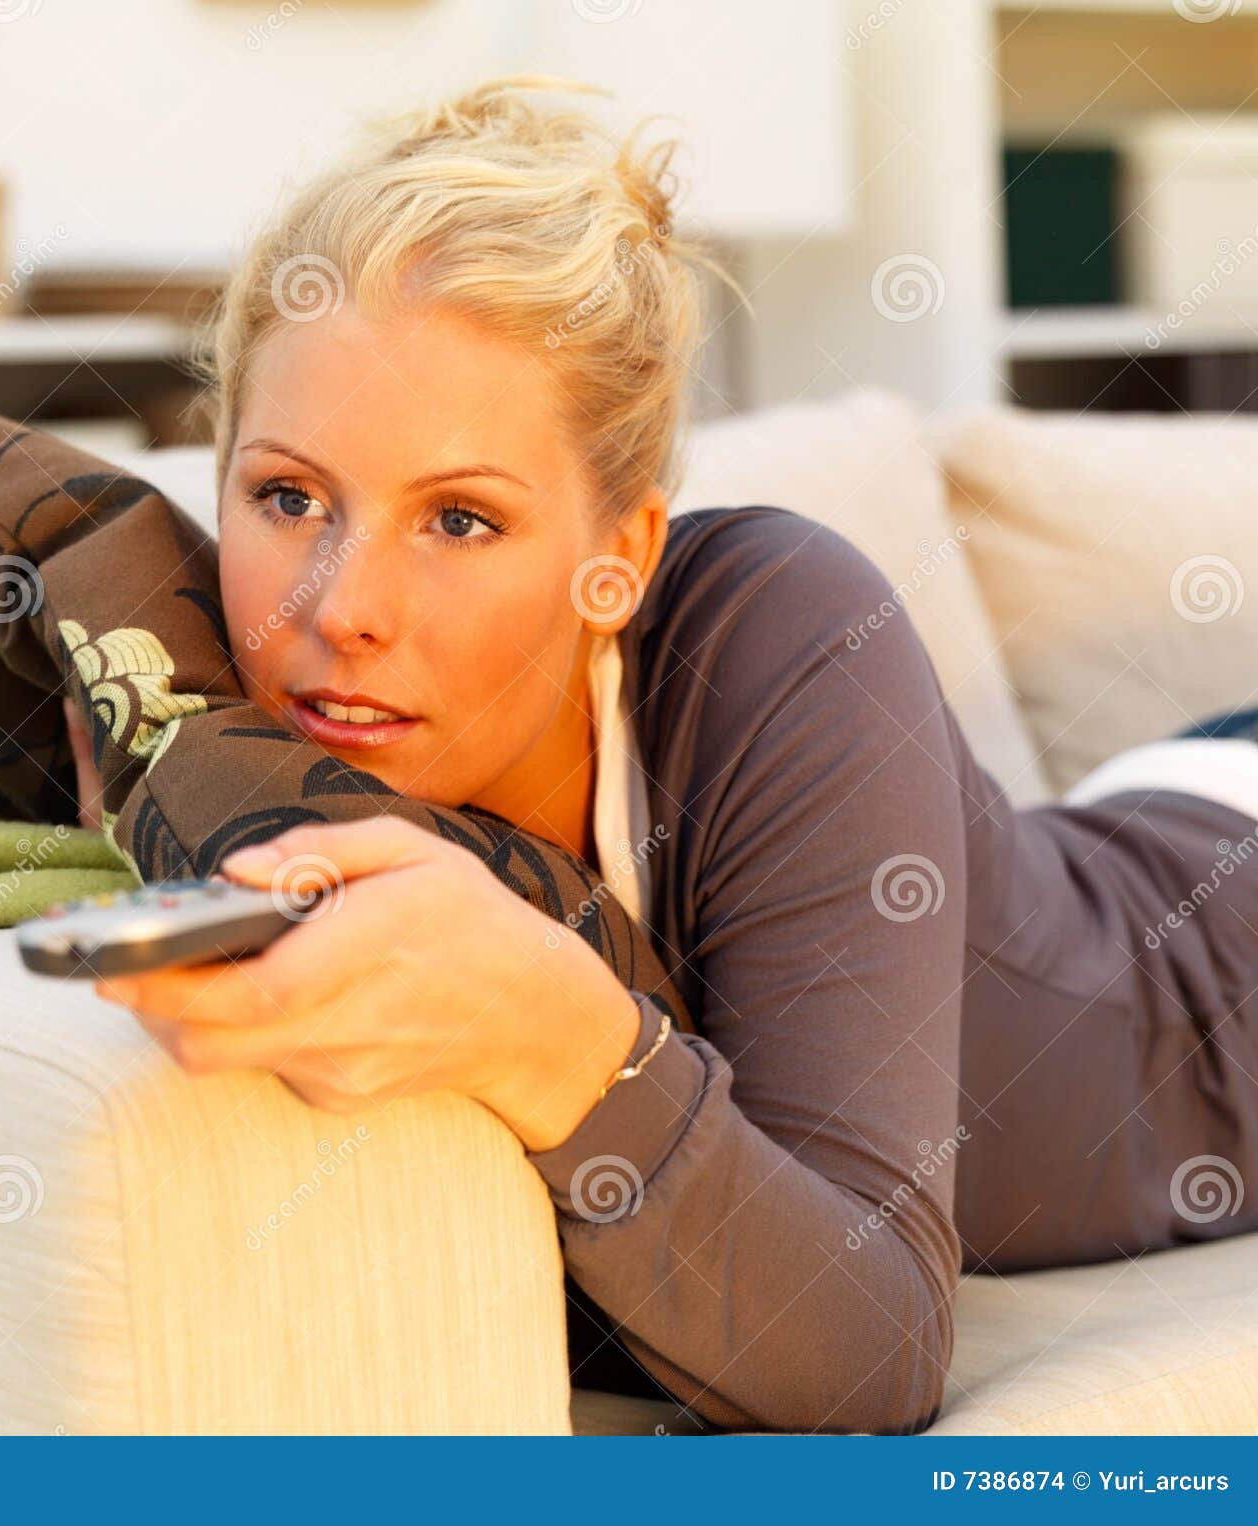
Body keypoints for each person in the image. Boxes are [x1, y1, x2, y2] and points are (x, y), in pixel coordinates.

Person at [79, 75, 1258, 1433]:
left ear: (616, 559)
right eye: (288, 496)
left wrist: (553, 1031)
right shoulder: (209, 671)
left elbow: (876, 1355)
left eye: (458, 519)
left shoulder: (777, 624)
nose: (340, 605)